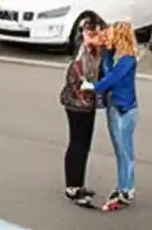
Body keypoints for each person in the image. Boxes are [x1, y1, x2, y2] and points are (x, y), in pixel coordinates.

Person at [85, 20, 139, 211]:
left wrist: (93, 87)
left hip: (124, 109)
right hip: (114, 107)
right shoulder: (115, 56)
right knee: (120, 150)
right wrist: (106, 50)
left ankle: (127, 189)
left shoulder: (127, 60)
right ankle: (122, 186)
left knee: (125, 152)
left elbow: (112, 78)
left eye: (112, 34)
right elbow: (107, 69)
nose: (108, 36)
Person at [58, 11, 108, 208]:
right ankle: (72, 187)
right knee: (77, 143)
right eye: (96, 32)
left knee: (84, 144)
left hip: (87, 104)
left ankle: (78, 183)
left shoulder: (94, 50)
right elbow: (81, 77)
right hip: (76, 104)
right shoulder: (82, 52)